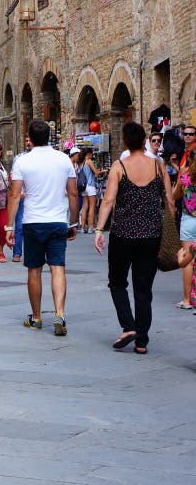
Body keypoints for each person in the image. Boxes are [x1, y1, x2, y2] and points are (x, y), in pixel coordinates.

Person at [94, 122, 174, 354]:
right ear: (144, 141)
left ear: (126, 142)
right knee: (143, 288)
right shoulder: (159, 166)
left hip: (122, 235)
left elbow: (108, 201)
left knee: (117, 282)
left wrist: (99, 230)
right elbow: (169, 201)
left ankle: (128, 326)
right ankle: (141, 341)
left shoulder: (119, 167)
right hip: (151, 235)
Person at [5, 120, 79, 336]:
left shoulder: (22, 162)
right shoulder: (63, 159)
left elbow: (15, 195)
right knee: (58, 268)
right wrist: (73, 222)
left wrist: (9, 226)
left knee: (34, 270)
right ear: (49, 136)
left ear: (29, 137)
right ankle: (59, 314)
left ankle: (36, 317)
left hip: (33, 221)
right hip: (57, 220)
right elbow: (73, 194)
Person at [173, 127, 196, 309]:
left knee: (187, 260)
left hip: (189, 219)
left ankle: (187, 300)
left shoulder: (185, 176)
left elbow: (175, 195)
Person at [10, 136, 32, 262]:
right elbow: (13, 176)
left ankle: (34, 252)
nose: (28, 142)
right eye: (26, 140)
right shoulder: (18, 158)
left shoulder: (40, 159)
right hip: (22, 196)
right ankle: (17, 252)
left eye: (30, 140)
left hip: (36, 197)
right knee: (19, 225)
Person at [78, 148, 104, 234]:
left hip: (83, 186)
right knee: (92, 206)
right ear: (88, 154)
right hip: (90, 185)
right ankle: (90, 227)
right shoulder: (89, 161)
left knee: (85, 206)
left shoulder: (81, 163)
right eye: (91, 154)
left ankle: (82, 227)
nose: (92, 155)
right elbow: (96, 172)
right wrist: (103, 171)